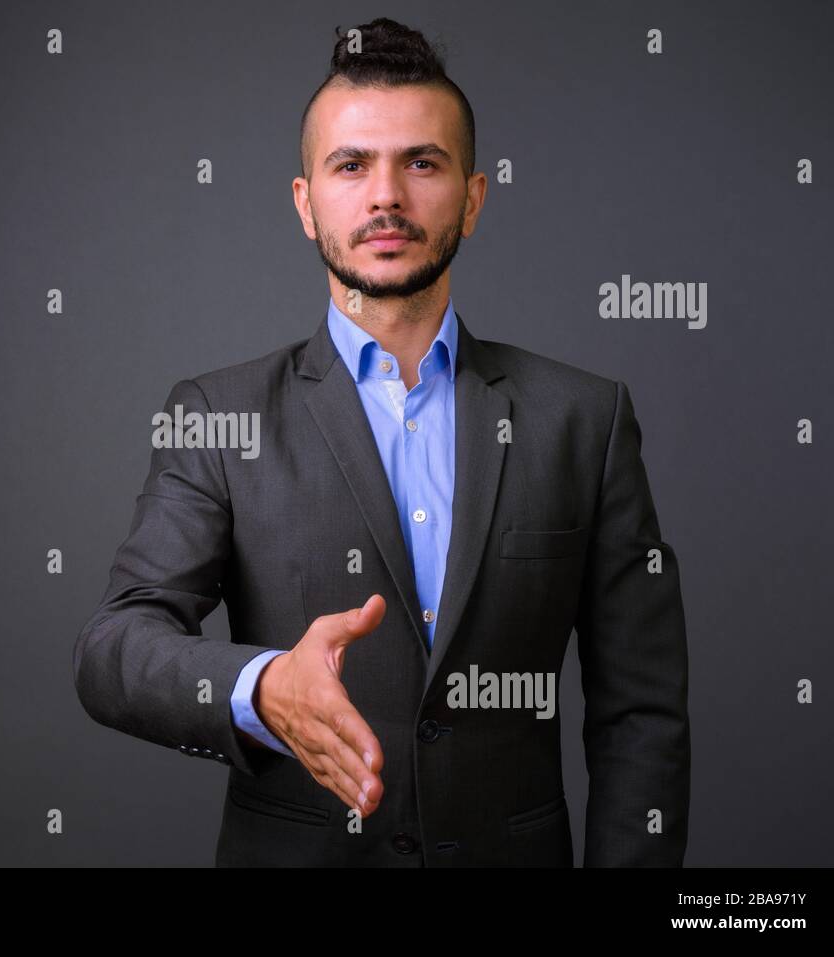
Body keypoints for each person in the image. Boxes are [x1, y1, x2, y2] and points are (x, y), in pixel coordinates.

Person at [73, 17, 690, 867]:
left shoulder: (585, 418)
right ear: (306, 202)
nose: (386, 196)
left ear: (473, 198)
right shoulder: (218, 414)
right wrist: (260, 688)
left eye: (422, 162)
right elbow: (114, 649)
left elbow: (641, 712)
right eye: (352, 164)